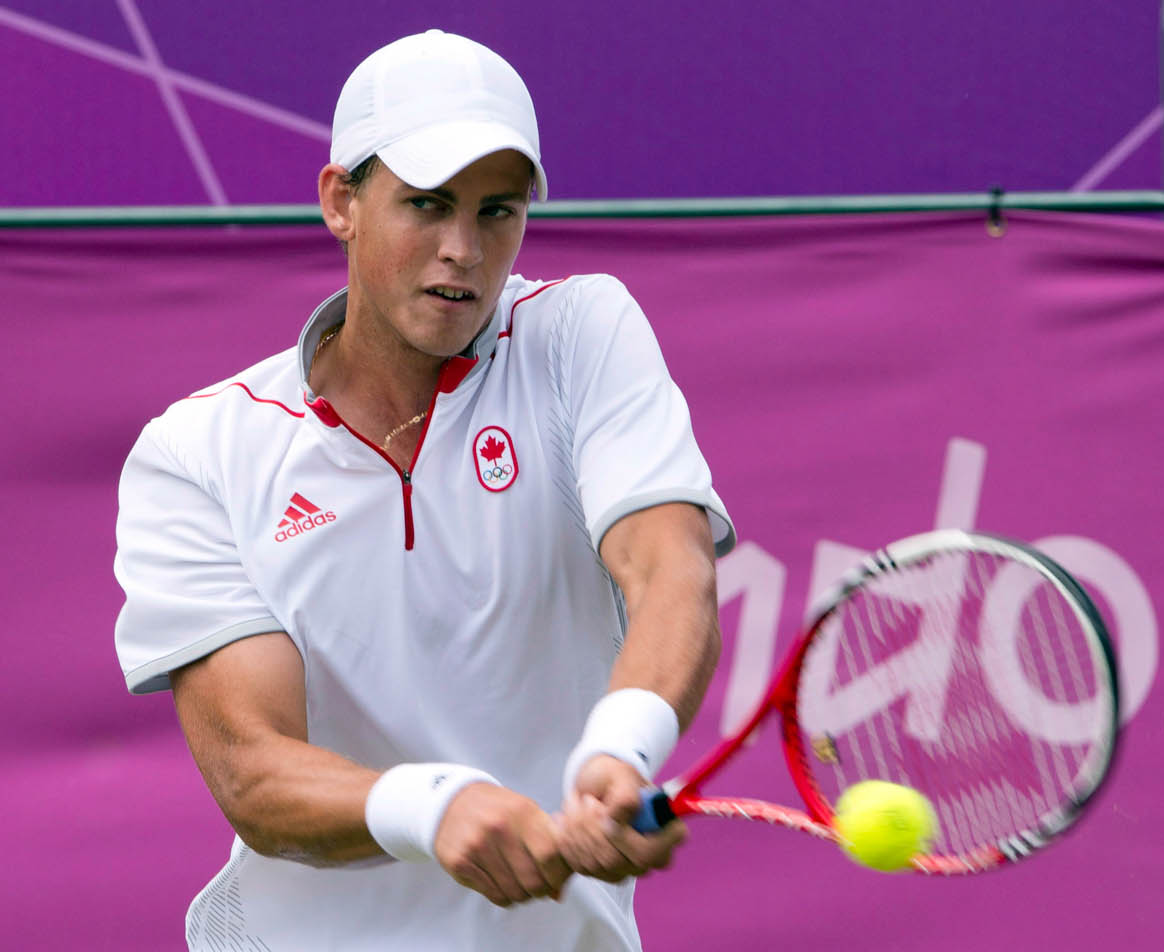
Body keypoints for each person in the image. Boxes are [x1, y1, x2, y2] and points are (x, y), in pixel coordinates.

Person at [113, 30, 734, 951]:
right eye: (428, 204)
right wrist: (431, 806)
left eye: (497, 211)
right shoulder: (198, 450)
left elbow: (668, 569)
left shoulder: (578, 333)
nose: (464, 250)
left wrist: (621, 746)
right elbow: (254, 773)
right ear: (342, 202)